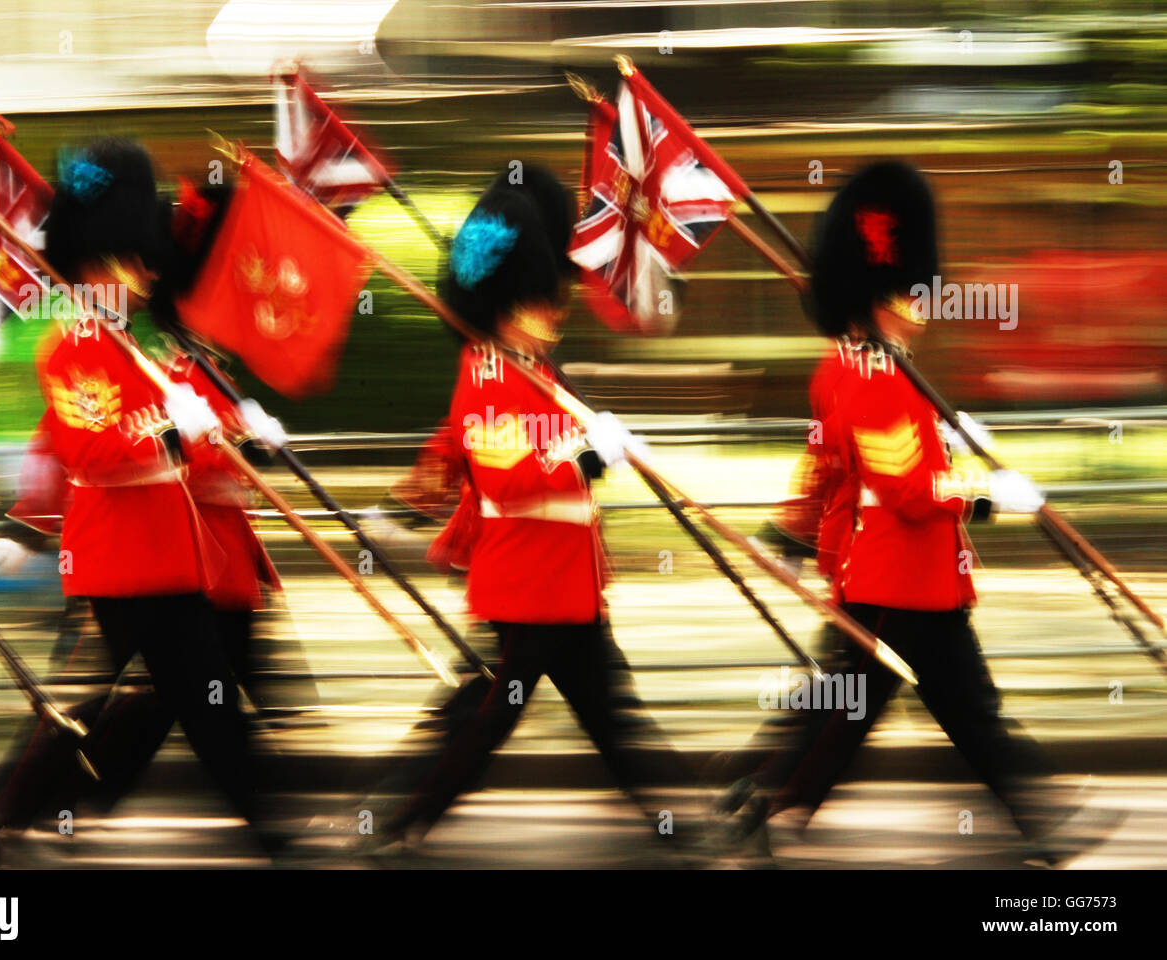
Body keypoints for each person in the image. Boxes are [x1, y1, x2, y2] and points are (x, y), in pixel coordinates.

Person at [710, 161, 1112, 865]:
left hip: (902, 577)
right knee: (909, 713)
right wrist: (989, 494)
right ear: (883, 297)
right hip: (899, 577)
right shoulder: (873, 372)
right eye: (908, 291)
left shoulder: (871, 364)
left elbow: (837, 467)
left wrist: (798, 529)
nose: (923, 303)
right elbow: (905, 488)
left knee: (868, 712)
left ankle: (763, 799)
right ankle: (770, 803)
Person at [0, 139, 288, 863]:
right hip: (116, 562)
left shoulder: (139, 347)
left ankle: (265, 832)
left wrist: (241, 427)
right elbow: (89, 449)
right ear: (97, 264)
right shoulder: (70, 346)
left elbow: (190, 428)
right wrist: (169, 433)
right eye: (128, 261)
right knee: (85, 706)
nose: (141, 274)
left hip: (168, 560)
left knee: (204, 704)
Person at [367, 164, 696, 851]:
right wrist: (586, 459)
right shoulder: (487, 371)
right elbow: (506, 474)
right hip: (527, 581)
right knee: (491, 717)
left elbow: (517, 453)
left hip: (565, 581)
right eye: (544, 300)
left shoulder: (537, 372)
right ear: (512, 303)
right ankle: (401, 820)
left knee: (607, 716)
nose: (557, 310)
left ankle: (684, 824)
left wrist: (595, 446)